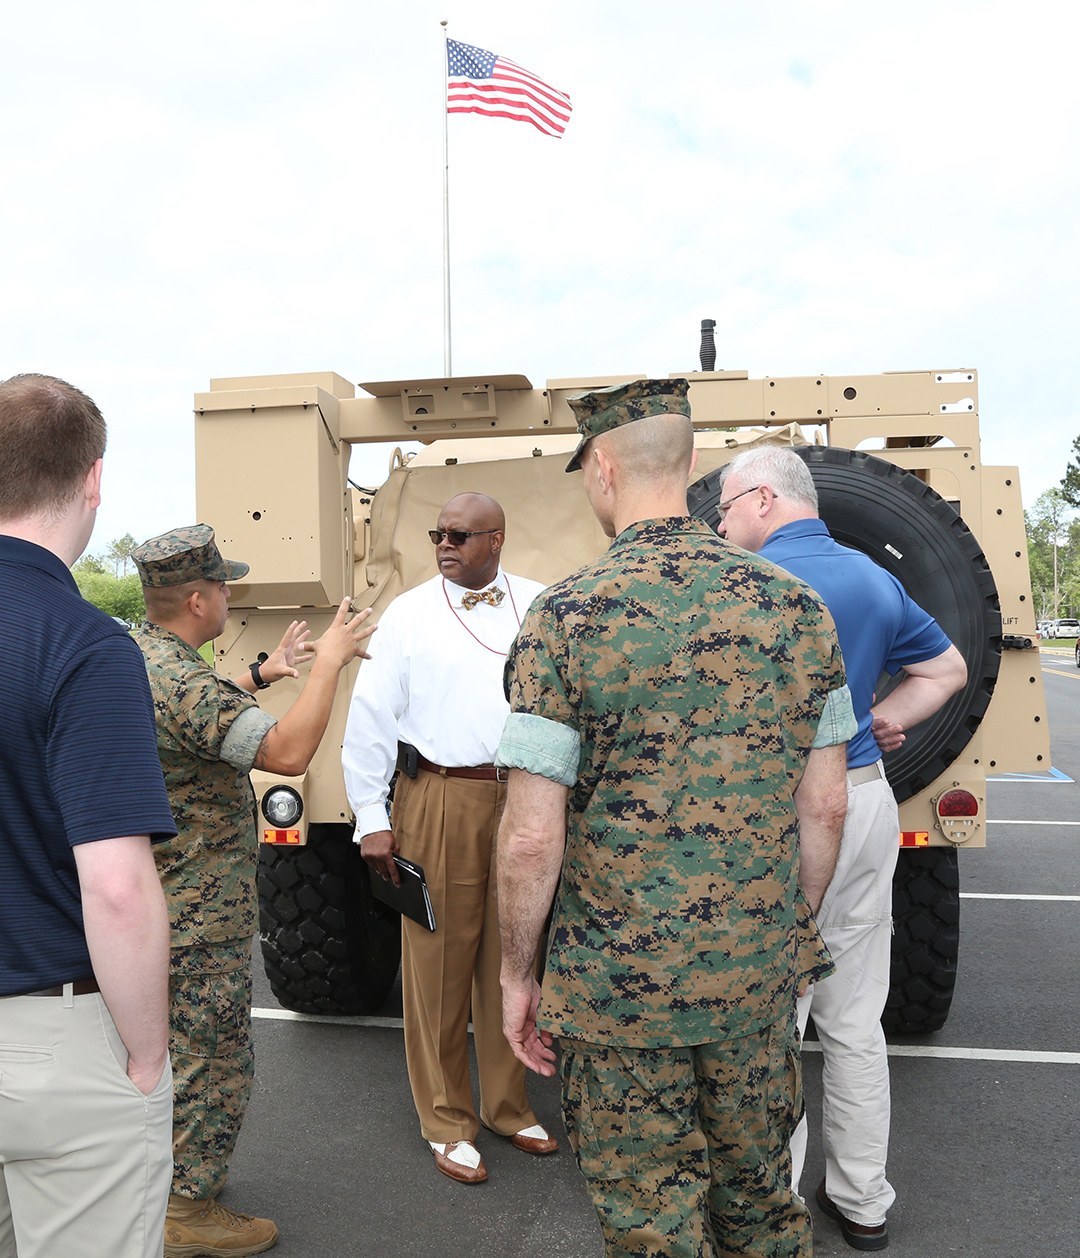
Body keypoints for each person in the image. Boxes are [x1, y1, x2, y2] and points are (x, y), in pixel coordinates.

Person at [496, 379, 855, 1258]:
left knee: (651, 1226)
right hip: (753, 978)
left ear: (603, 469)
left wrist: (516, 973)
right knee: (762, 1210)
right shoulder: (796, 608)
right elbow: (828, 804)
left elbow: (532, 836)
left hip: (619, 998)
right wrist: (788, 930)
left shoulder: (565, 617)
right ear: (694, 464)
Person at [717, 445, 968, 1252]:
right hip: (864, 800)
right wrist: (889, 713)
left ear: (761, 500)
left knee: (773, 1020)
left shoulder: (744, 585)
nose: (718, 525)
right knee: (855, 1016)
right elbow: (949, 669)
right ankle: (863, 1200)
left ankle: (774, 1199)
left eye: (723, 508)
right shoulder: (870, 577)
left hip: (775, 814)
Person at [132, 524, 375, 1258]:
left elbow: (191, 716)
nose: (231, 598)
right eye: (226, 587)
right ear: (201, 599)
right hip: (195, 912)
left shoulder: (143, 656)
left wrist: (264, 676)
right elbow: (288, 753)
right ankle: (185, 1211)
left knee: (166, 1055)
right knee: (213, 1061)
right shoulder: (178, 676)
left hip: (157, 904)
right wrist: (329, 663)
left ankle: (165, 1182)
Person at [0, 373, 176, 1258]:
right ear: (93, 479)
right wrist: (144, 1060)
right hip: (52, 1040)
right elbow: (115, 887)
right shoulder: (83, 644)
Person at [342, 493, 555, 1185]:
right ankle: (445, 1117)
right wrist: (372, 820)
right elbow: (369, 718)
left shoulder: (541, 604)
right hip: (438, 794)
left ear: (497, 538)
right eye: (439, 533)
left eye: (461, 535)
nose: (445, 544)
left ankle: (505, 1103)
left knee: (513, 950)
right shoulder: (407, 613)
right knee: (437, 962)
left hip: (523, 794)